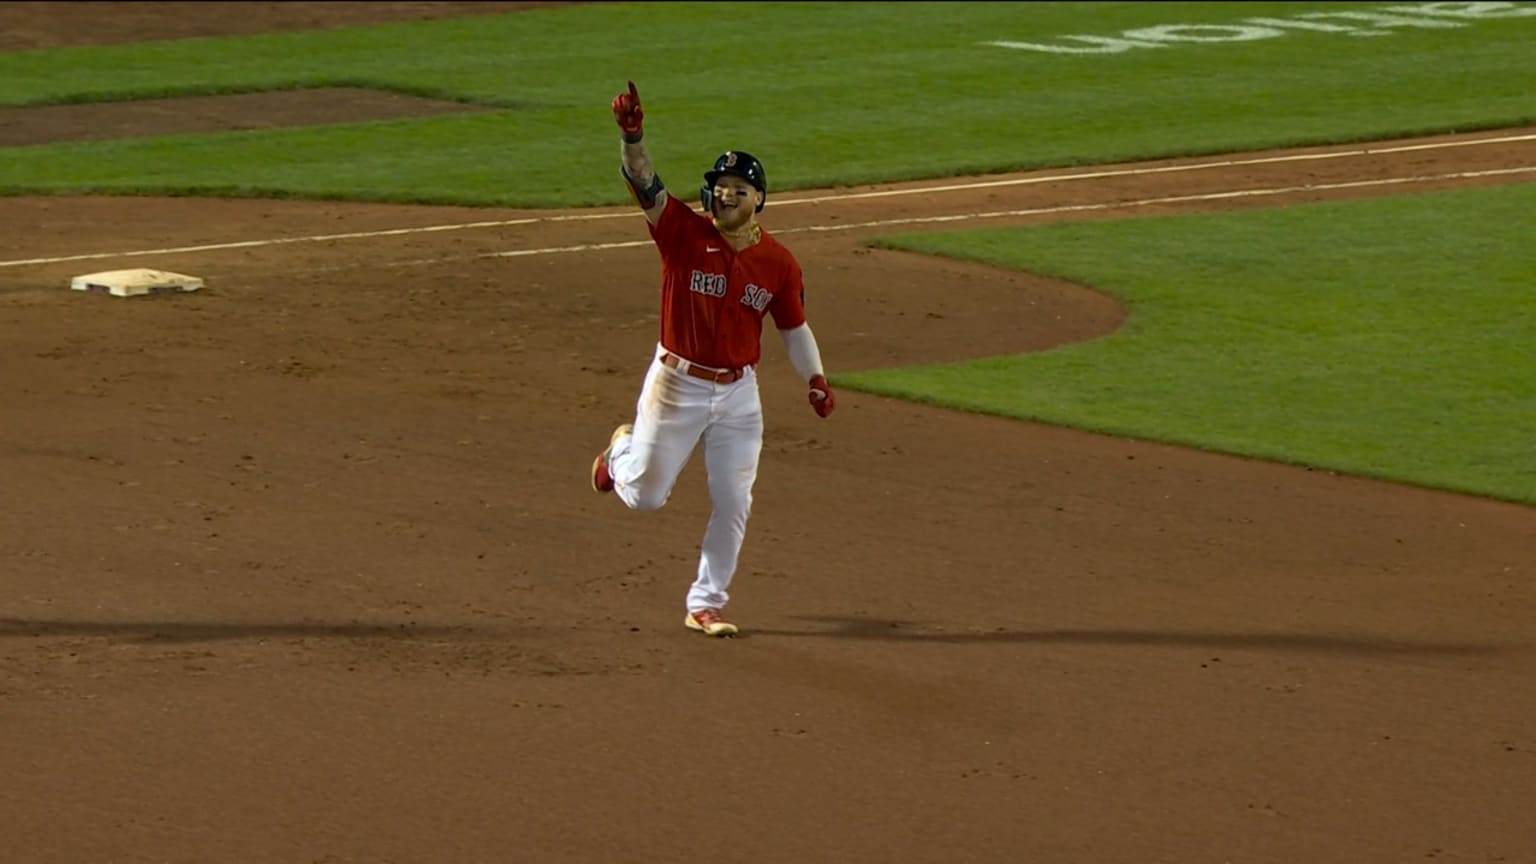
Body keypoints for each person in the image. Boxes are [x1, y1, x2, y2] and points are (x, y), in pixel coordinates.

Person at [589, 81, 836, 638]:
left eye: (737, 188)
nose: (724, 195)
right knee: (646, 497)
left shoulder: (779, 263)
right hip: (676, 384)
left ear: (759, 200)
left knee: (734, 500)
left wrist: (815, 377)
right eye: (719, 187)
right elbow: (644, 181)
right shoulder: (680, 233)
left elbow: (793, 329)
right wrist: (633, 136)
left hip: (738, 395)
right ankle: (619, 451)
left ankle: (706, 603)